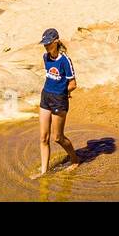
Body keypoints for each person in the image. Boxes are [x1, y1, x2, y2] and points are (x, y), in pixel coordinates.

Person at [33, 28, 79, 177]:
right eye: (44, 44)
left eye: (48, 43)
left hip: (59, 100)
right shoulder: (45, 57)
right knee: (43, 138)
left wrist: (64, 93)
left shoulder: (65, 60)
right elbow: (50, 77)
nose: (46, 46)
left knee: (57, 137)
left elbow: (73, 84)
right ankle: (43, 173)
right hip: (45, 97)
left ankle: (75, 160)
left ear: (56, 41)